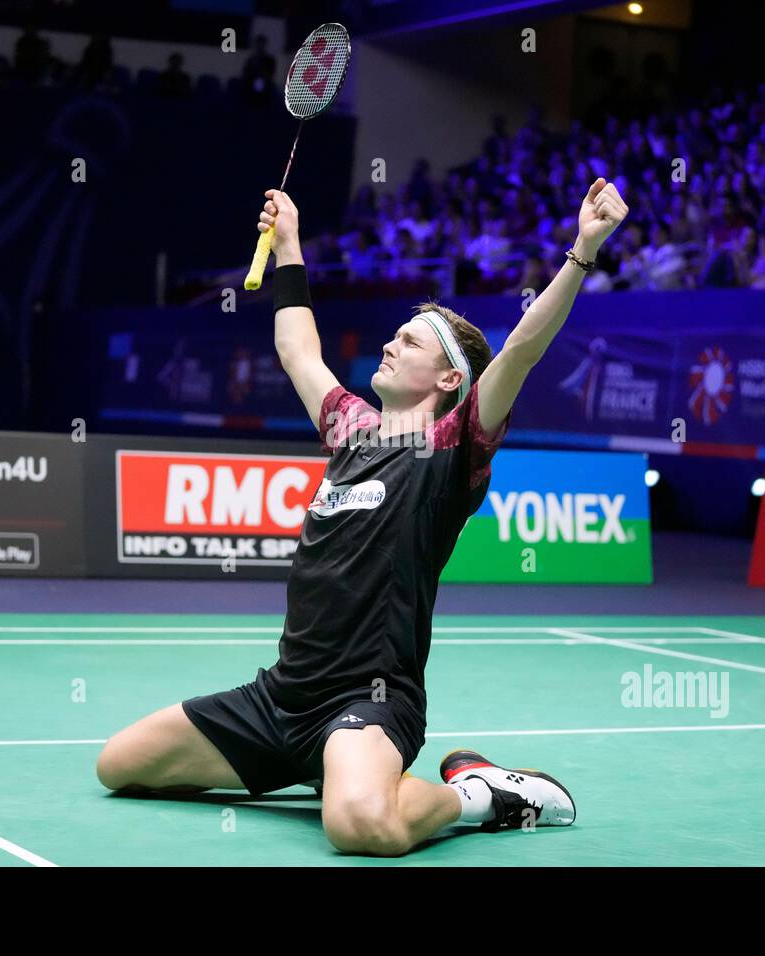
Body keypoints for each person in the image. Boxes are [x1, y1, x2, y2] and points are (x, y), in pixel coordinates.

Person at [97, 176, 630, 856]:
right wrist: (289, 244)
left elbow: (521, 349)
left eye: (410, 342)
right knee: (120, 765)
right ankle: (326, 772)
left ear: (448, 381)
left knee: (360, 828)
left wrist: (582, 252)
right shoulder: (350, 429)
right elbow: (297, 351)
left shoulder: (452, 447)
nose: (390, 344)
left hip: (369, 703)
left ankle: (483, 795)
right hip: (280, 697)